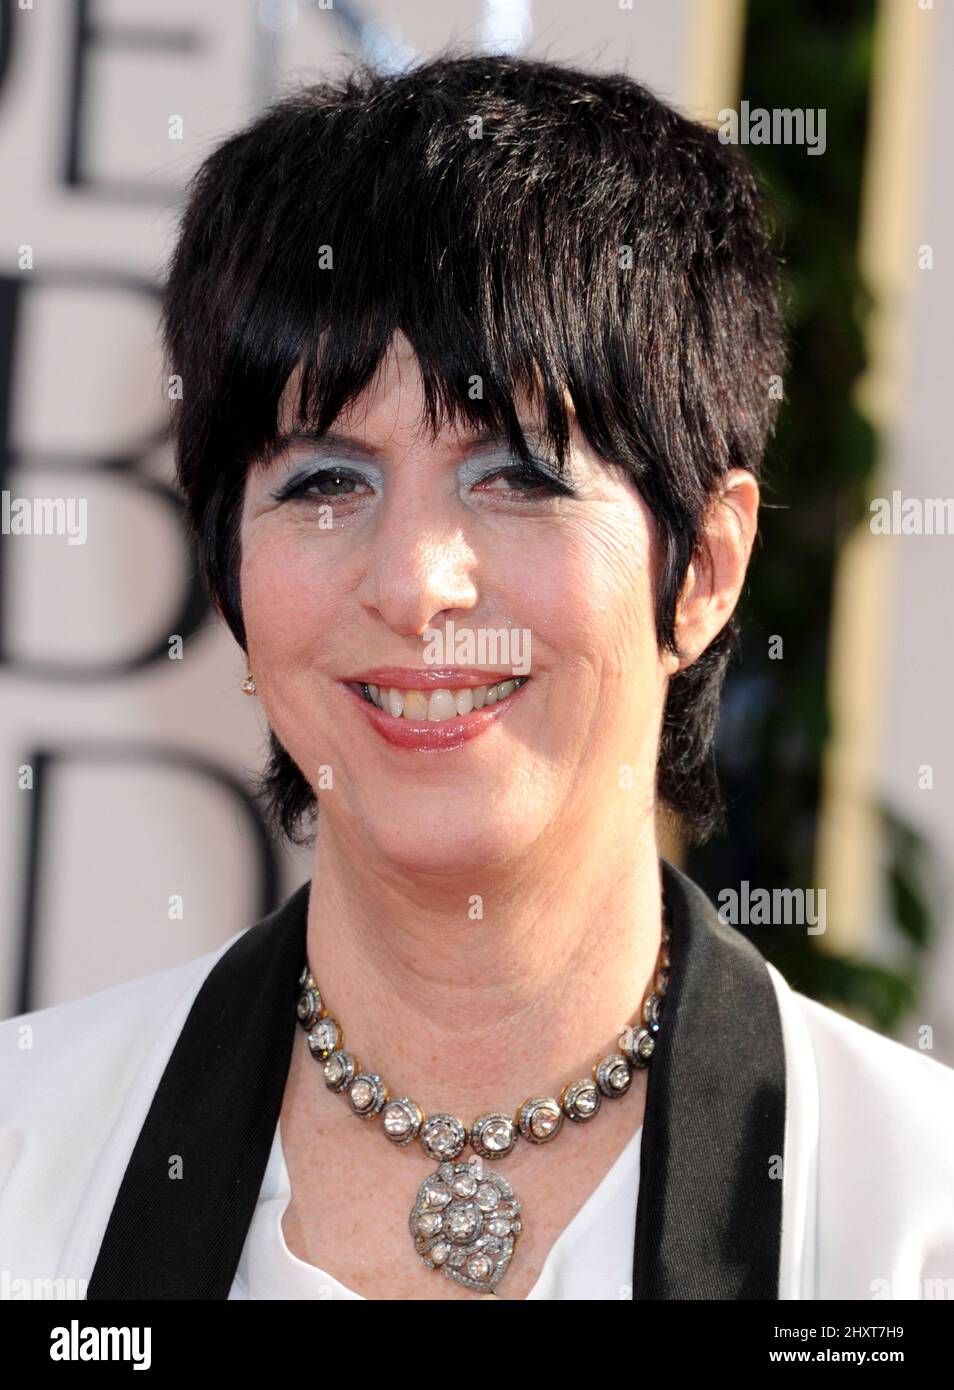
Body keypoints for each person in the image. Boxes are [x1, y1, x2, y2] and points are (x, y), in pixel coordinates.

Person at [2, 51, 953, 1303]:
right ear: (229, 563)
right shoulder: (27, 1155)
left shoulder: (914, 1221)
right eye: (323, 482)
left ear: (706, 568)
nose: (415, 584)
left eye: (518, 474)